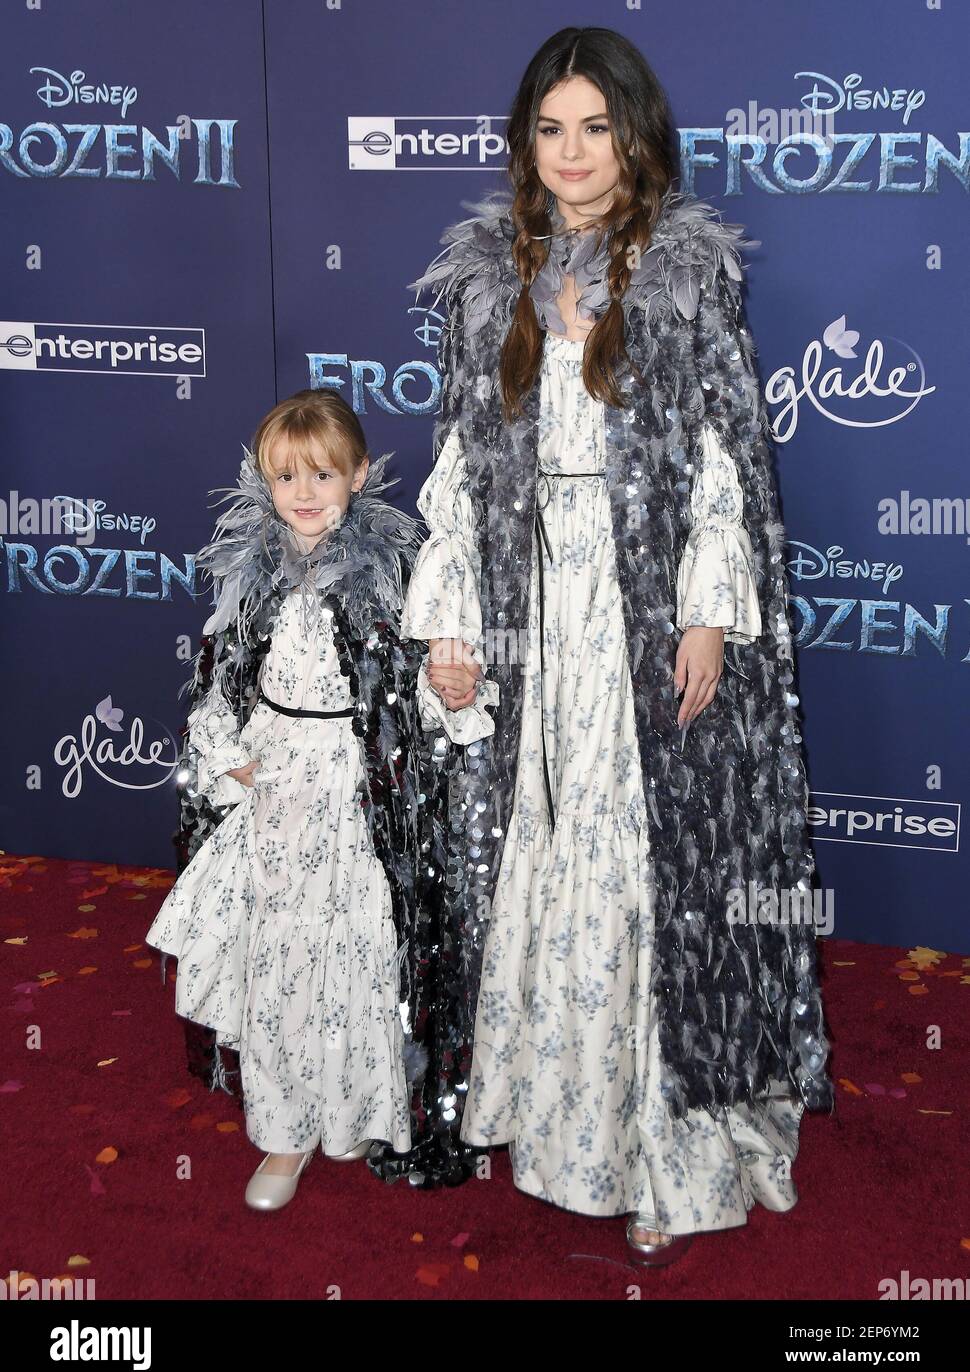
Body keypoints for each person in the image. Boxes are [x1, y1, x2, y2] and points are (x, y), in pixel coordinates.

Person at [399, 26, 835, 1266]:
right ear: (524, 143)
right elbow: (457, 470)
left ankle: (668, 1148)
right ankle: (567, 1130)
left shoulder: (686, 272)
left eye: (597, 127)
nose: (574, 153)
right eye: (551, 128)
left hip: (646, 614)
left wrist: (706, 612)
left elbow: (723, 465)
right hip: (539, 618)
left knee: (653, 862)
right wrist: (455, 616)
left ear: (637, 137)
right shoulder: (490, 278)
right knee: (553, 843)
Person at [146, 388, 473, 1208]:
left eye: (322, 475)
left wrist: (455, 693)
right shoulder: (247, 576)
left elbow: (419, 691)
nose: (304, 493)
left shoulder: (396, 576)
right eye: (287, 475)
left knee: (361, 959)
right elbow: (218, 686)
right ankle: (286, 1135)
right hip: (276, 792)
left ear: (359, 475)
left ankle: (357, 1106)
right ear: (263, 478)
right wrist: (229, 759)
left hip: (360, 798)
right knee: (282, 961)